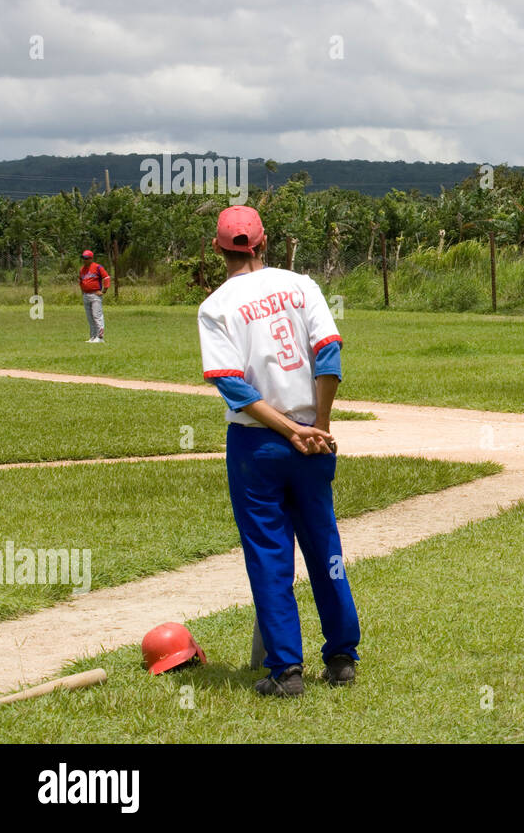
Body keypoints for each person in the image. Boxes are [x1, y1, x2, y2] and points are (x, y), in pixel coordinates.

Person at [197, 205, 360, 697]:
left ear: (217, 249)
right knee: (323, 545)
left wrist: (286, 431)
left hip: (257, 443)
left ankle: (286, 670)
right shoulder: (302, 284)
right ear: (265, 243)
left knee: (270, 554)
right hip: (315, 434)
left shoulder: (215, 306)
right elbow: (328, 353)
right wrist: (318, 426)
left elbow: (234, 387)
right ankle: (341, 657)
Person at [78, 250, 110, 343]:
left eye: (87, 258)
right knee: (90, 317)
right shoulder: (82, 269)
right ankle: (92, 337)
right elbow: (81, 281)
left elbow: (106, 278)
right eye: (83, 258)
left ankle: (100, 337)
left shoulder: (97, 267)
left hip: (95, 295)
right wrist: (82, 292)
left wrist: (104, 290)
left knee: (97, 316)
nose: (85, 260)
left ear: (91, 258)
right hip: (86, 295)